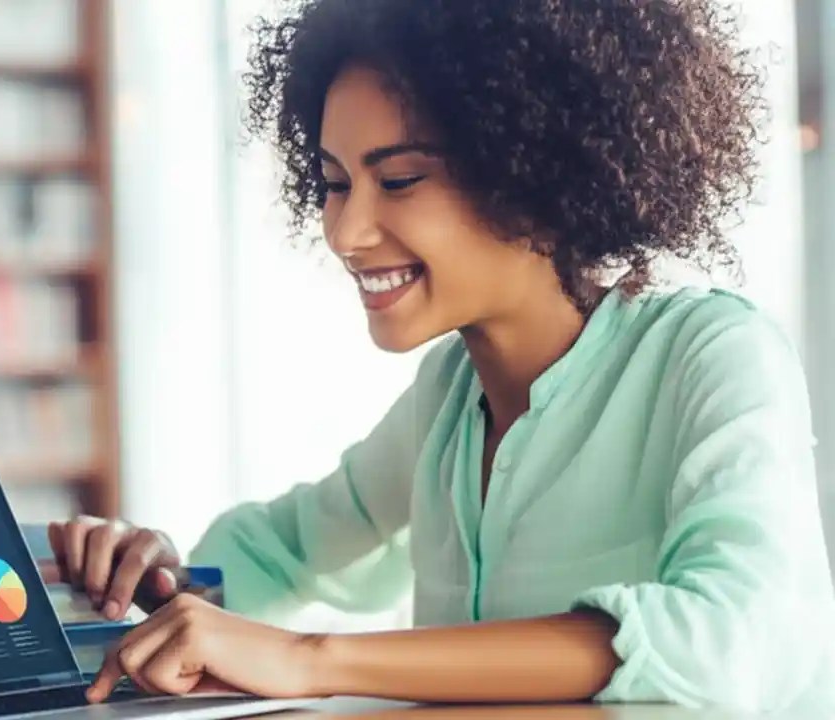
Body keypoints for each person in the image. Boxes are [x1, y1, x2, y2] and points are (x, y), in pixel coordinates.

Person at [45, 0, 835, 711]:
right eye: (332, 182)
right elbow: (289, 552)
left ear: (535, 171)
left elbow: (737, 633)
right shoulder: (451, 395)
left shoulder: (712, 354)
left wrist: (314, 661)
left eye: (399, 179)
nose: (346, 232)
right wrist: (156, 585)